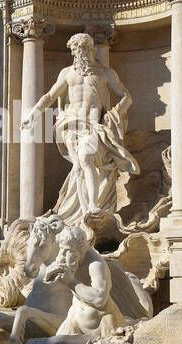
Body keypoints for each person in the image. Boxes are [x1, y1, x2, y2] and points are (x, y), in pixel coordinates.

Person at [22, 32, 138, 224]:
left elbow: (127, 96)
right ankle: (85, 211)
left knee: (85, 159)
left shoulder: (105, 73)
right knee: (79, 166)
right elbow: (50, 96)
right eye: (75, 49)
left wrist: (115, 113)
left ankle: (92, 206)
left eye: (82, 48)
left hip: (93, 123)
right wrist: (33, 115)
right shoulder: (67, 73)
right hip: (70, 123)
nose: (78, 53)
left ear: (92, 49)